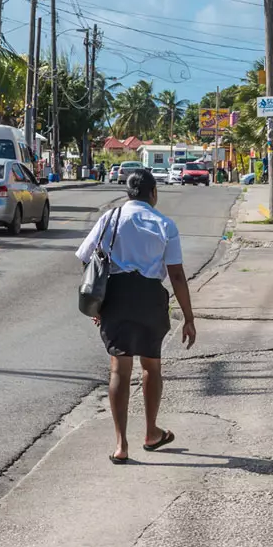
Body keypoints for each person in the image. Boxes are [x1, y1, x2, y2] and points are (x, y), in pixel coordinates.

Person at [76, 169, 197, 464]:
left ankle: (121, 444)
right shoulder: (164, 223)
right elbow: (177, 275)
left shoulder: (110, 218)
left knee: (119, 370)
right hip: (149, 297)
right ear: (153, 193)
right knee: (151, 366)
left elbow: (85, 257)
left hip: (115, 296)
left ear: (128, 193)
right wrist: (189, 317)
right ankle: (152, 432)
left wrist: (100, 303)